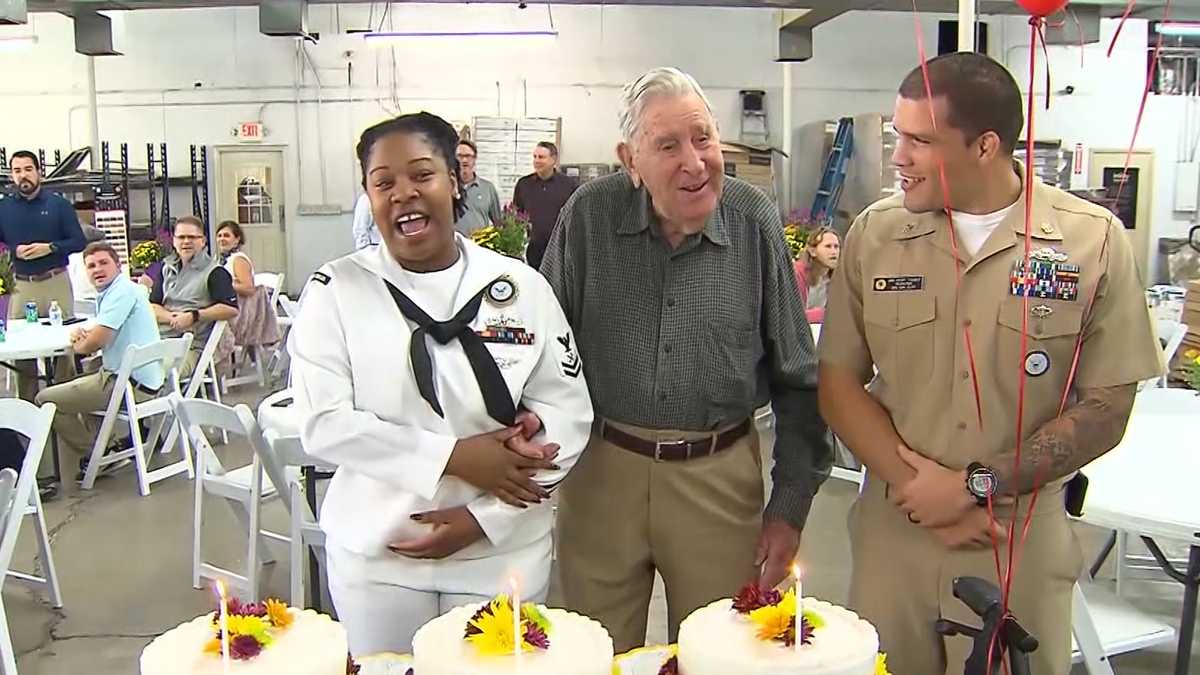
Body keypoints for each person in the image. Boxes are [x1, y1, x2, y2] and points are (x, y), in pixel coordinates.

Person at [818, 52, 1162, 675]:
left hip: (1016, 537)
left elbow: (1108, 407)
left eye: (920, 141)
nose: (899, 157)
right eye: (898, 136)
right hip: (895, 531)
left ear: (984, 146)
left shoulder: (1092, 242)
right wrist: (920, 489)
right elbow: (838, 382)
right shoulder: (876, 235)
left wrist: (978, 486)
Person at [540, 67, 831, 653]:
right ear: (630, 159)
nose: (695, 162)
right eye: (667, 146)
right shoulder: (589, 218)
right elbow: (544, 351)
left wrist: (790, 506)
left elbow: (799, 378)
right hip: (601, 470)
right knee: (591, 652)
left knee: (720, 653)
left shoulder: (753, 220)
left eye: (703, 138)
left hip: (717, 477)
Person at [289, 112, 594, 655]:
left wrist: (484, 518)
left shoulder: (520, 288)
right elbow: (322, 423)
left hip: (503, 555)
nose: (403, 194)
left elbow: (568, 414)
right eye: (383, 183)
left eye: (422, 175)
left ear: (455, 182)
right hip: (379, 555)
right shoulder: (336, 291)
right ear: (368, 197)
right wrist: (455, 457)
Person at [35, 242, 164, 480]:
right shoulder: (124, 290)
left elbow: (97, 341)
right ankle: (106, 446)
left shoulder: (120, 293)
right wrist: (86, 336)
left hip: (128, 385)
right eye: (91, 266)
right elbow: (101, 331)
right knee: (81, 379)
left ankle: (98, 453)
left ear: (118, 264)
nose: (97, 269)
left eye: (103, 263)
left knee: (45, 399)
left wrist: (80, 343)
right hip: (144, 379)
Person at [0, 150, 86, 400]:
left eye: (28, 169)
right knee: (21, 351)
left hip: (55, 281)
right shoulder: (4, 208)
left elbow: (78, 241)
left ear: (39, 172)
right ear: (11, 176)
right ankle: (28, 411)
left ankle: (64, 409)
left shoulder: (58, 205)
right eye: (17, 171)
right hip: (21, 285)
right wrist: (12, 251)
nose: (23, 175)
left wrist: (50, 248)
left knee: (65, 349)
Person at [149, 216, 239, 377]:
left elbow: (230, 309)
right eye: (181, 237)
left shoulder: (215, 272)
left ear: (203, 241)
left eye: (192, 237)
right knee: (123, 366)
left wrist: (193, 316)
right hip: (159, 341)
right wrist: (171, 317)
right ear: (174, 241)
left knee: (150, 375)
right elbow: (152, 305)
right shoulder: (166, 269)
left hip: (191, 347)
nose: (186, 242)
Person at [215, 220, 279, 351]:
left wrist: (224, 285)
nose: (222, 239)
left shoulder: (238, 259)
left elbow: (248, 288)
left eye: (226, 235)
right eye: (219, 235)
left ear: (237, 239)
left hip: (240, 317)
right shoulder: (222, 260)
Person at [514, 141, 577, 269]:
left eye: (541, 157)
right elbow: (517, 216)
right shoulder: (523, 184)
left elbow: (576, 217)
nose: (536, 161)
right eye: (535, 157)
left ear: (553, 159)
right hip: (533, 251)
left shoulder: (569, 185)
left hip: (559, 251)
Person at [453, 139, 502, 235]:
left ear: (475, 159)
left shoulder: (488, 188)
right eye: (460, 156)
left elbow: (498, 223)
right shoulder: (447, 187)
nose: (464, 160)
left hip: (479, 246)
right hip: (453, 247)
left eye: (468, 156)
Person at [793, 227, 840, 323]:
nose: (834, 251)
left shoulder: (836, 279)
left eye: (836, 246)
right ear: (812, 251)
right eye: (828, 246)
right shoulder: (796, 275)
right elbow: (792, 317)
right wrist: (827, 314)